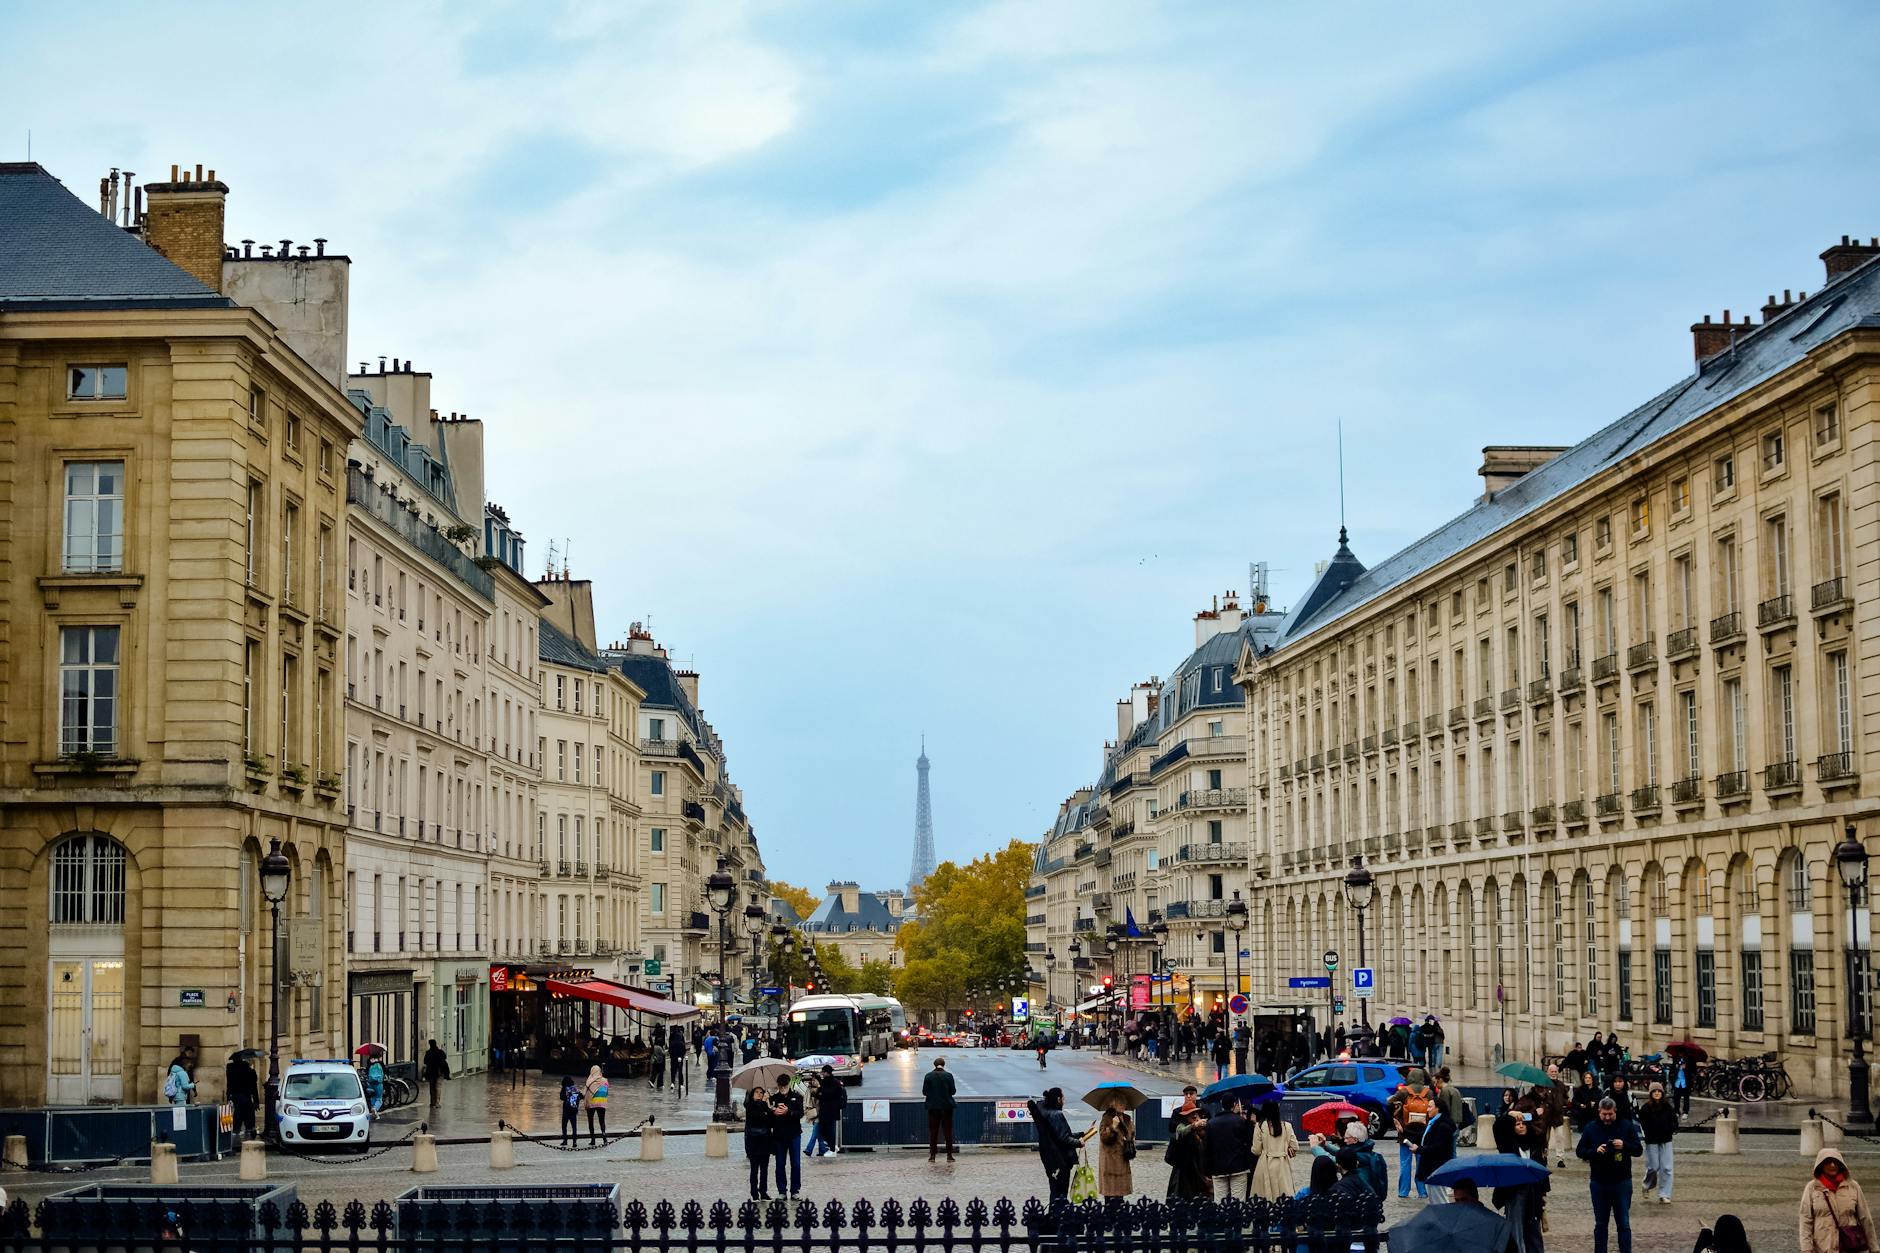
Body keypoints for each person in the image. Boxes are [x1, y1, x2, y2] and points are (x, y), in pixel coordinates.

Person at [1577, 1096, 1643, 1253]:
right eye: (1604, 1114)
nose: (1607, 1117)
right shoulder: (1590, 1128)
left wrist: (1624, 1145)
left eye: (1610, 1114)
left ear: (1615, 1112)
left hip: (1622, 1182)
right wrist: (1594, 1151)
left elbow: (1638, 1150)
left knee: (1623, 1223)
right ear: (1599, 1112)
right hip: (1599, 1182)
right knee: (1600, 1224)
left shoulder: (1626, 1126)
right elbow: (1580, 1151)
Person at [1801, 1146, 1879, 1253]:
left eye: (1835, 1162)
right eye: (1828, 1162)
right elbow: (1805, 1220)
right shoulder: (1812, 1188)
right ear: (1820, 1165)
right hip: (1822, 1247)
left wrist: (1874, 1248)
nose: (1832, 1165)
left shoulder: (1853, 1186)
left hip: (1849, 1246)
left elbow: (1865, 1218)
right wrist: (1806, 1248)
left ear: (1841, 1164)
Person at [1028, 1087, 1081, 1204]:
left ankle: (1054, 1215)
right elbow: (1063, 1138)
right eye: (1063, 1097)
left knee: (1054, 1189)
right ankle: (1058, 1216)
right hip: (1060, 1159)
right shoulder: (1056, 1114)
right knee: (1061, 1192)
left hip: (1050, 1158)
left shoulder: (1046, 1112)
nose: (1064, 1100)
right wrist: (1079, 1143)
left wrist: (1081, 1134)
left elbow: (1057, 1134)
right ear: (1058, 1099)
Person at [1391, 1074, 1435, 1199]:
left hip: (1405, 1133)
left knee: (1405, 1163)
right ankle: (1422, 1191)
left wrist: (1397, 1118)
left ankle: (1404, 1192)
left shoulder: (1404, 1091)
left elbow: (1389, 1103)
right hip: (1423, 1135)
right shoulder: (1429, 1093)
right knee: (1422, 1163)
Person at [1203, 1098, 1256, 1200]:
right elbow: (1249, 1142)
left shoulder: (1211, 1123)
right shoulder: (1240, 1121)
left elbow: (1207, 1149)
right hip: (1238, 1167)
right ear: (1234, 1105)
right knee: (1238, 1200)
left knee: (1219, 1200)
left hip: (1218, 1168)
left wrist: (1207, 1170)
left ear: (1222, 1105)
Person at [1250, 1098, 1299, 1201]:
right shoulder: (1286, 1126)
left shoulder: (1259, 1126)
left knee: (1264, 1197)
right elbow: (1295, 1146)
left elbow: (1256, 1150)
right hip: (1282, 1164)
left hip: (1265, 1163)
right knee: (1284, 1194)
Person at [1637, 1082, 1677, 1204]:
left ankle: (1664, 1194)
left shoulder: (1668, 1107)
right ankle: (1647, 1185)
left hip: (1666, 1140)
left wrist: (1671, 1128)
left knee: (1667, 1168)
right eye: (1654, 1091)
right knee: (1653, 1167)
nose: (1657, 1093)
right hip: (1652, 1140)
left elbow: (1674, 1121)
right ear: (1651, 1093)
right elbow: (1642, 1123)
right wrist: (1648, 1133)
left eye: (1659, 1091)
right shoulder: (1645, 1108)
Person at [1413, 1100, 1457, 1204]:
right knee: (1435, 1198)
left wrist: (1419, 1149)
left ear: (1437, 1108)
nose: (1427, 1109)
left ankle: (1443, 1219)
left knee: (1439, 1199)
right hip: (1432, 1167)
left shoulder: (1442, 1126)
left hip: (1436, 1167)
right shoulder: (1434, 1123)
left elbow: (1437, 1148)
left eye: (1430, 1107)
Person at [769, 1072, 804, 1199]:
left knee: (795, 1164)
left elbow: (800, 1114)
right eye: (780, 1086)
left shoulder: (797, 1096)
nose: (783, 1089)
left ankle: (795, 1190)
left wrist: (788, 1112)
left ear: (789, 1084)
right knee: (780, 1164)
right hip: (779, 1135)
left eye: (785, 1086)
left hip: (794, 1134)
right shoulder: (773, 1099)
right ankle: (782, 1190)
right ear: (778, 1086)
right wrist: (774, 1112)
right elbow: (769, 1118)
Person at [1164, 1107, 1209, 1200]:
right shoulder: (1181, 1126)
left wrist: (1201, 1125)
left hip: (1197, 1167)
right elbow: (1182, 1131)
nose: (1194, 1115)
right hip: (1184, 1168)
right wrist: (1194, 1125)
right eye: (1191, 1114)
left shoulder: (1199, 1129)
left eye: (1195, 1113)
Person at [1093, 1106, 1135, 1199]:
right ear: (1113, 1104)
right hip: (1110, 1162)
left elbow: (1131, 1136)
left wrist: (1129, 1133)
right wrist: (1113, 1126)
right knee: (1110, 1196)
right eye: (1119, 1103)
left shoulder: (1127, 1118)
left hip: (1122, 1159)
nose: (1122, 1106)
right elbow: (1104, 1138)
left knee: (1120, 1196)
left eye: (1123, 1103)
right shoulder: (1106, 1119)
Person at [923, 1056, 957, 1162]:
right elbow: (953, 1091)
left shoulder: (928, 1076)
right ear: (944, 1064)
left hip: (933, 1108)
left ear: (934, 1065)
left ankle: (932, 1156)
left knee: (933, 1132)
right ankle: (949, 1155)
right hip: (947, 1107)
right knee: (948, 1131)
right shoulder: (948, 1076)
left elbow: (925, 1092)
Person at [743, 1084, 774, 1200]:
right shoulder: (750, 1106)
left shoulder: (765, 1105)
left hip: (765, 1141)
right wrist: (764, 1106)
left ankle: (764, 1191)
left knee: (764, 1169)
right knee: (754, 1169)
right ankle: (754, 1192)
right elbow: (757, 1117)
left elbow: (770, 1120)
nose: (759, 1094)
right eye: (757, 1092)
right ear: (752, 1094)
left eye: (761, 1093)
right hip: (754, 1142)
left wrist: (767, 1105)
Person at [1341, 1124, 1388, 1198]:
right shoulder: (1366, 1151)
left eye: (1346, 1138)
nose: (1344, 1140)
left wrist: (1316, 1147)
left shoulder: (1355, 1156)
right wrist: (1326, 1146)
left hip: (1363, 1199)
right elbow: (1339, 1153)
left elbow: (1339, 1156)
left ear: (1355, 1140)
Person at [812, 1064, 846, 1156]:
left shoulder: (834, 1082)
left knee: (829, 1129)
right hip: (824, 1110)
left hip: (831, 1110)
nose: (822, 1074)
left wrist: (821, 1091)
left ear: (827, 1073)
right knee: (823, 1129)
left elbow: (829, 1094)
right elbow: (822, 1094)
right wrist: (816, 1093)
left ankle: (832, 1149)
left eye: (823, 1072)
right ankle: (832, 1146)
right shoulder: (825, 1082)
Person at [225, 1053, 259, 1138]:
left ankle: (236, 1130)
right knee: (249, 1113)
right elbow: (254, 1087)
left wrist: (228, 1096)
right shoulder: (249, 1071)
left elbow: (229, 1084)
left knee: (238, 1112)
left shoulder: (230, 1069)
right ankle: (249, 1130)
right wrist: (256, 1101)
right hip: (246, 1095)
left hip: (235, 1095)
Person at [581, 1064, 609, 1144]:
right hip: (602, 1103)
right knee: (602, 1120)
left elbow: (585, 1093)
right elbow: (606, 1092)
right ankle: (604, 1137)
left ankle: (593, 1140)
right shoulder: (605, 1080)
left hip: (591, 1103)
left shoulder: (589, 1081)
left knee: (591, 1121)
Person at [422, 1040, 449, 1108]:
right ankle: (437, 1103)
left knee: (432, 1087)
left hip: (431, 1072)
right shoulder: (440, 1052)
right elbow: (444, 1059)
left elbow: (425, 1061)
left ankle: (432, 1102)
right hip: (439, 1072)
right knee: (438, 1087)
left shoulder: (428, 1052)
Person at [558, 1074, 581, 1147]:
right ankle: (574, 1142)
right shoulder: (574, 1088)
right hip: (573, 1110)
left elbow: (561, 1097)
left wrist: (566, 1097)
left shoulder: (564, 1088)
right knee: (574, 1126)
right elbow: (580, 1097)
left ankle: (565, 1141)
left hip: (566, 1110)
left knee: (564, 1126)